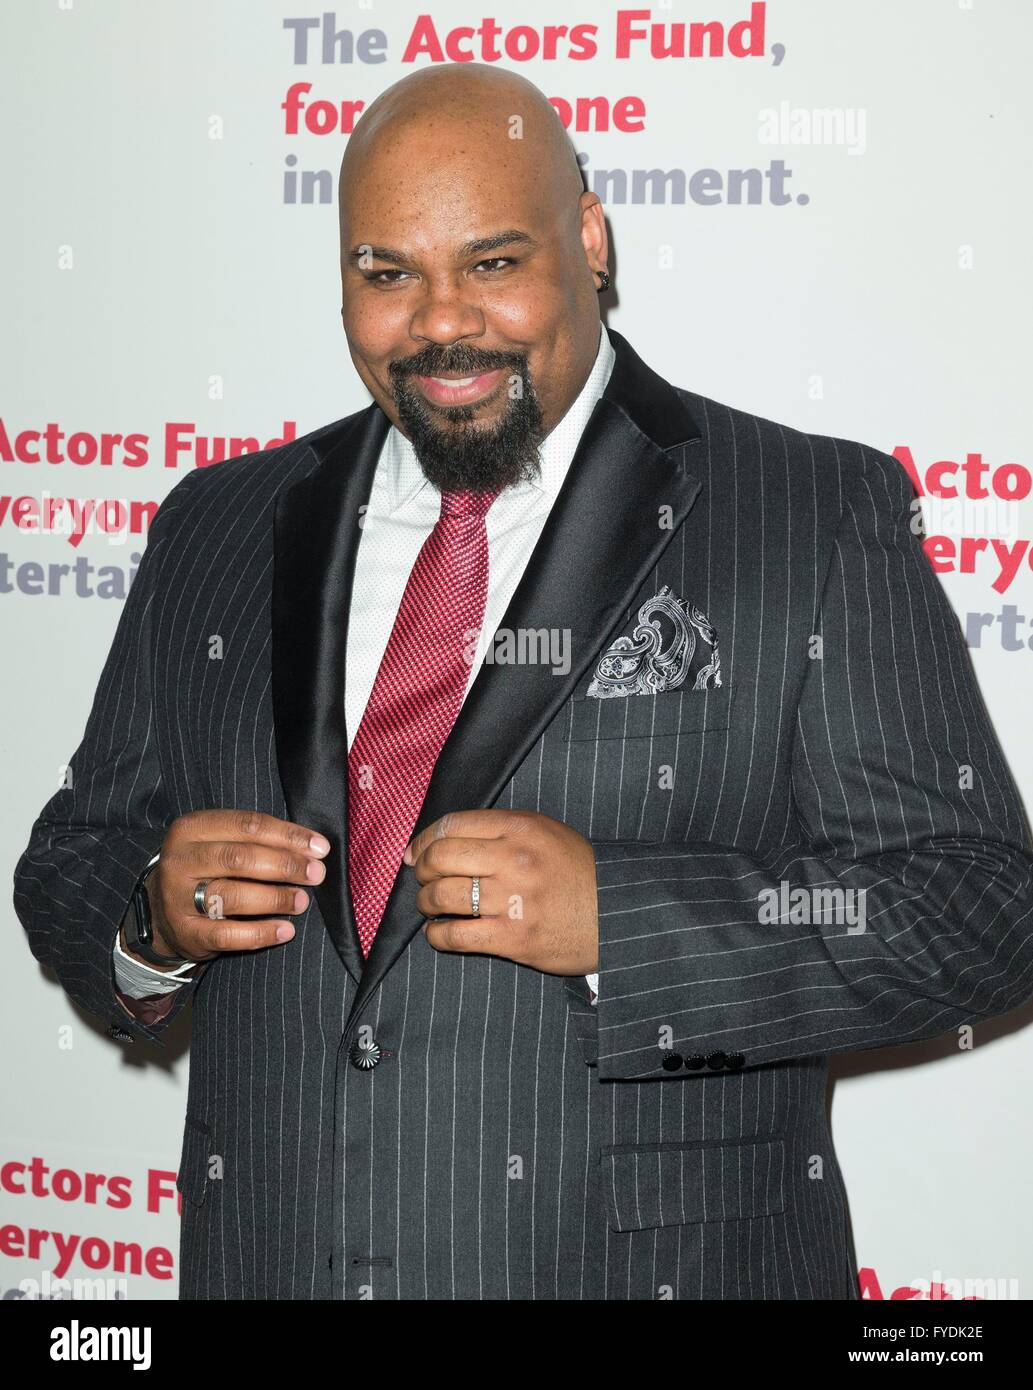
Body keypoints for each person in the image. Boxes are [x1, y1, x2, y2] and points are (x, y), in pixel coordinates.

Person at [14, 63, 1033, 1301]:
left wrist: (627, 924)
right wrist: (148, 920)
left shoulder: (805, 512)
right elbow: (74, 854)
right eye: (386, 273)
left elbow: (981, 908)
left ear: (589, 241)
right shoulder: (218, 523)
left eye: (493, 262)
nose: (441, 323)